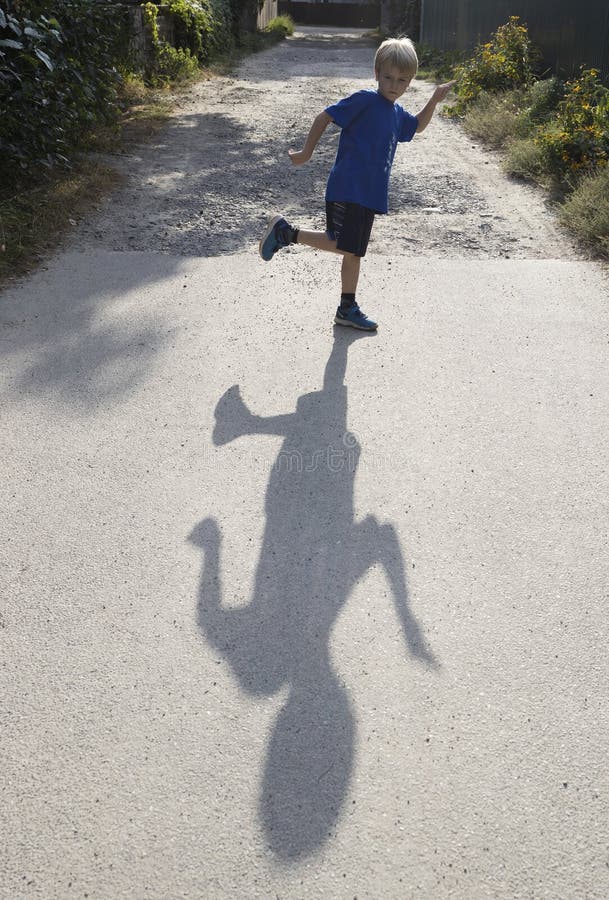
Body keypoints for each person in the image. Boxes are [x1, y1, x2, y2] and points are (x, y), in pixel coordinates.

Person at [258, 37, 455, 331]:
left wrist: (434, 100)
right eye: (387, 77)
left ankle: (346, 308)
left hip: (369, 194)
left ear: (410, 82)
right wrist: (306, 152)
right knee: (343, 244)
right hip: (348, 187)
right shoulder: (365, 99)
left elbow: (416, 127)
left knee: (354, 251)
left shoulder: (397, 113)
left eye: (402, 80)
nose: (393, 85)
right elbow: (325, 115)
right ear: (376, 73)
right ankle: (286, 233)